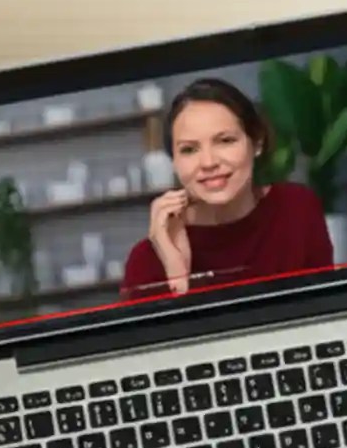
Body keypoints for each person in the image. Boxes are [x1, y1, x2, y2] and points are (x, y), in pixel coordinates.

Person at [122, 77, 333, 298]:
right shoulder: (146, 260)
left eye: (225, 141)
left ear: (257, 142)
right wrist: (178, 274)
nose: (208, 162)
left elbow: (325, 308)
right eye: (189, 150)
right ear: (174, 162)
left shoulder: (296, 208)